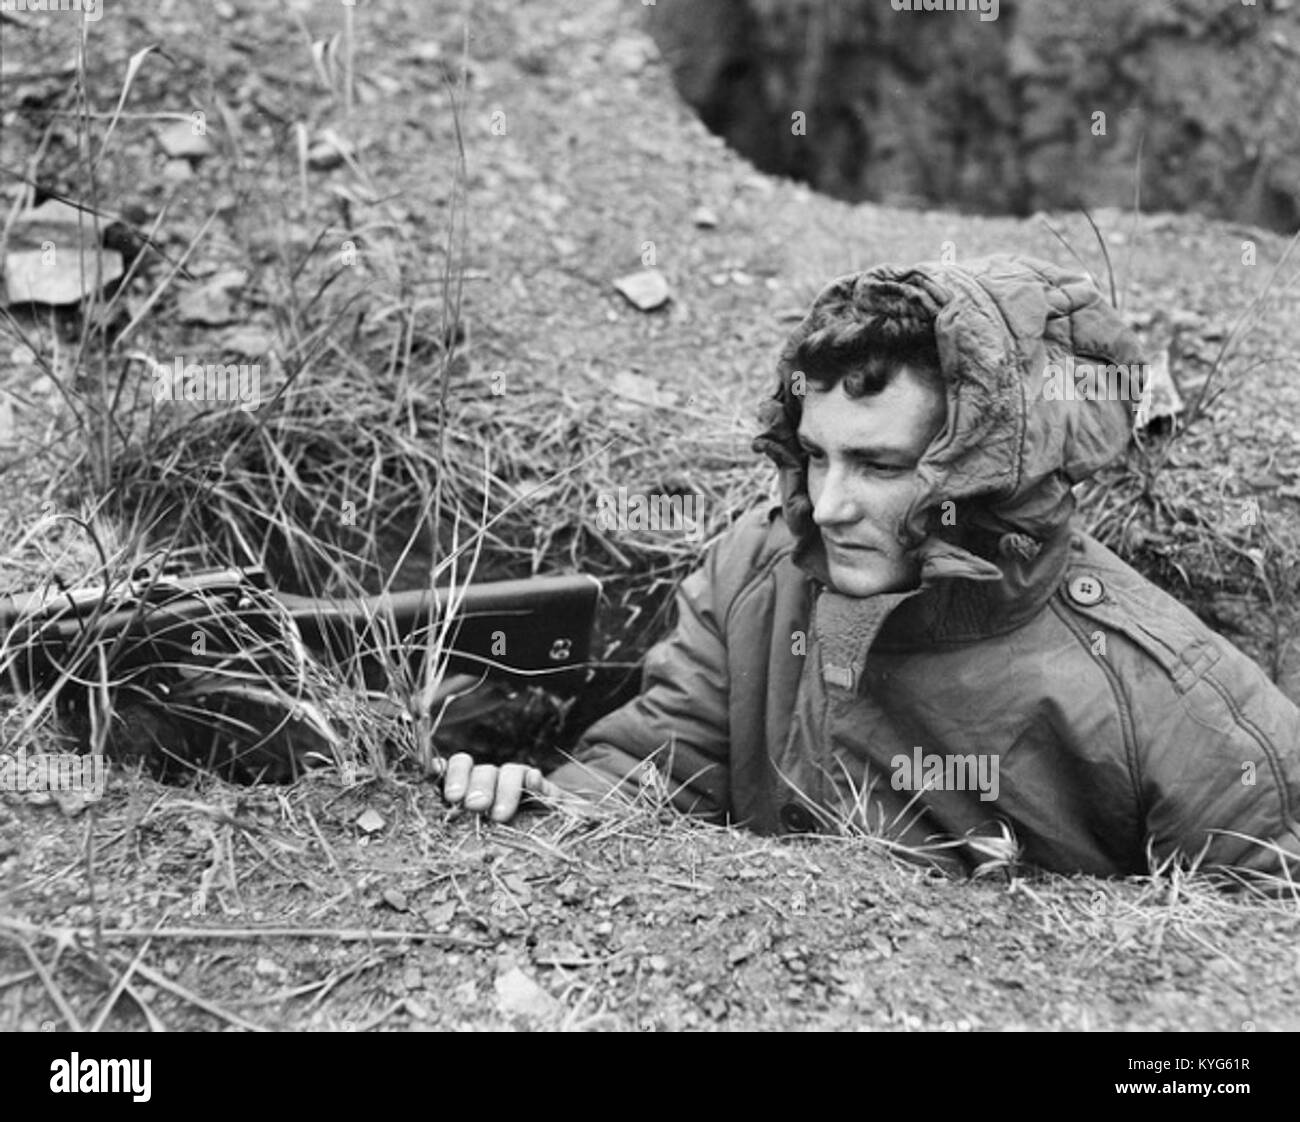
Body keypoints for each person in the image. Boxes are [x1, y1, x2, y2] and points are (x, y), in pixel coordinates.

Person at [438, 254, 1300, 878]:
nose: (829, 504)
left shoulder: (1171, 698)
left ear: (989, 471)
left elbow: (1261, 939)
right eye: (816, 457)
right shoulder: (759, 569)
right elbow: (664, 766)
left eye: (881, 467)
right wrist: (537, 808)